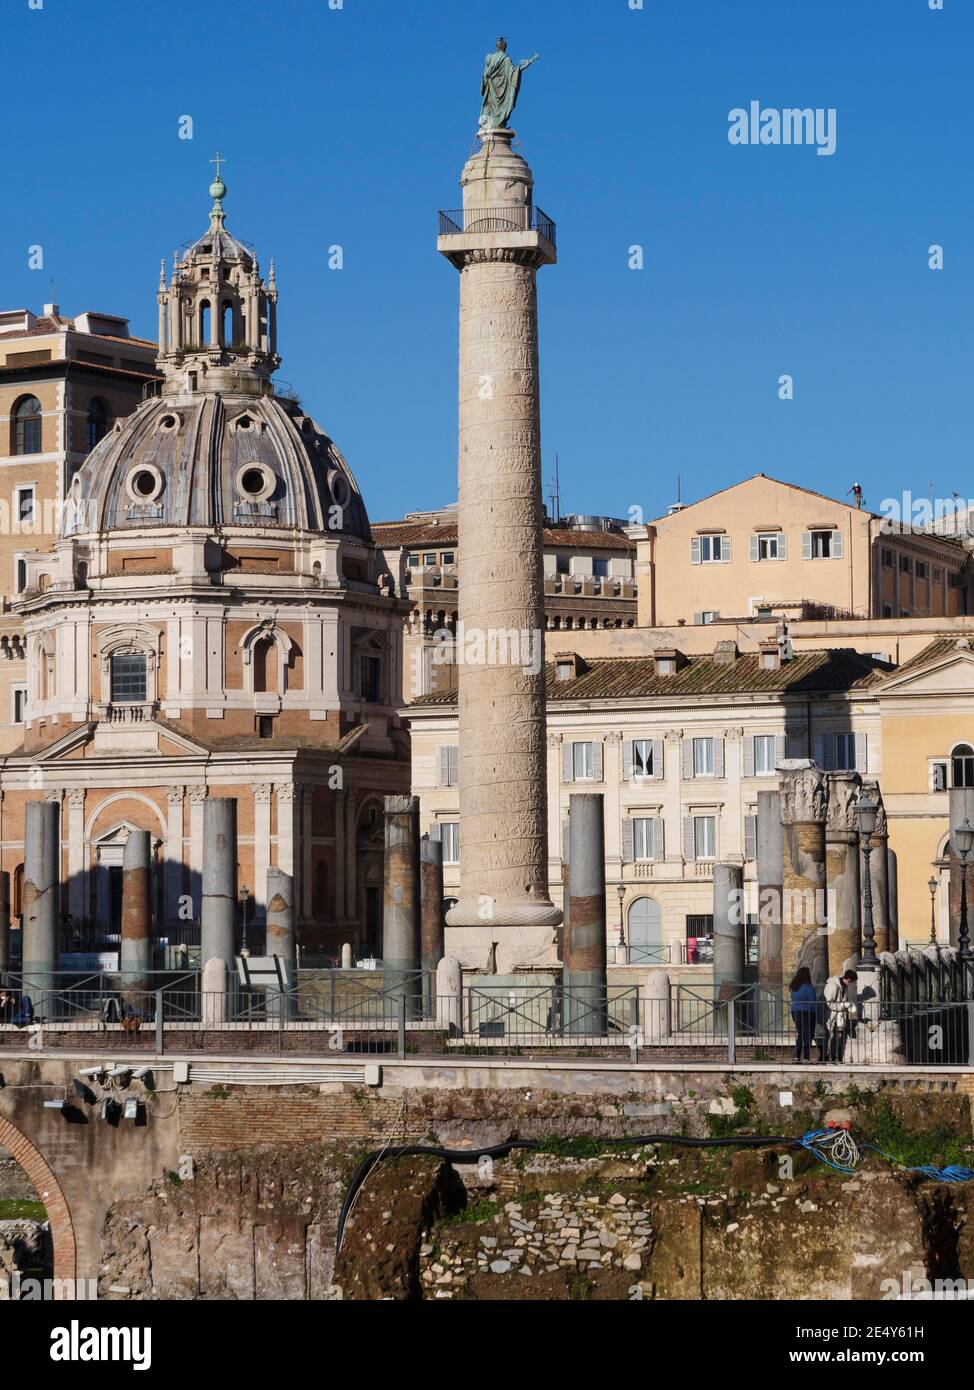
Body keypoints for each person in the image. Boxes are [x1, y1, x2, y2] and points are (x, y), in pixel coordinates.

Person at [822, 969, 858, 1063]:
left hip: (839, 1017)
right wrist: (842, 1007)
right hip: (831, 1016)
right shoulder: (833, 986)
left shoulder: (844, 987)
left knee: (838, 1037)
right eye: (852, 982)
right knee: (830, 1037)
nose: (852, 985)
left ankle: (835, 1057)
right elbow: (829, 1003)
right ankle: (826, 1057)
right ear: (848, 980)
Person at [789, 966, 817, 1062]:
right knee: (808, 1035)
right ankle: (806, 1057)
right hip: (807, 1012)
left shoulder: (794, 987)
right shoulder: (808, 987)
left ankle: (796, 1057)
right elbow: (813, 1001)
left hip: (795, 1011)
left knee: (800, 1034)